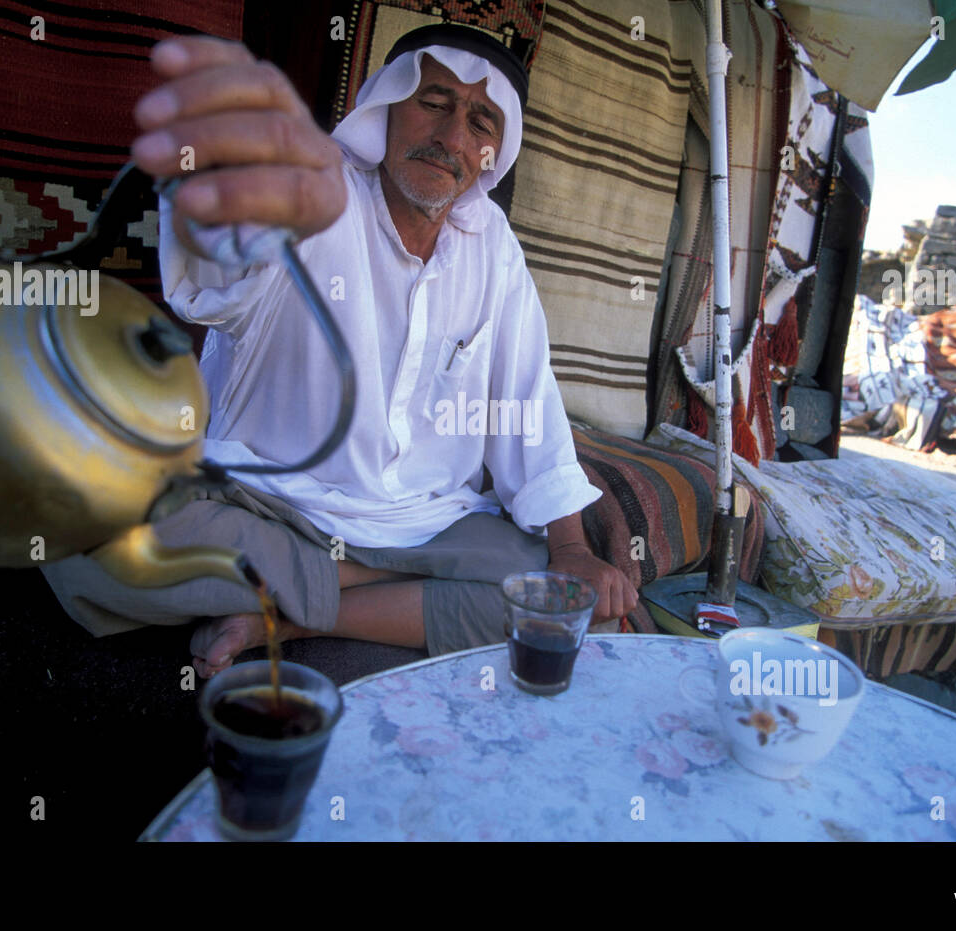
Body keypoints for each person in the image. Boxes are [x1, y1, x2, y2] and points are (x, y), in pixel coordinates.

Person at [39, 25, 639, 677]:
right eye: (433, 102)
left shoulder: (493, 248)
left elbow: (527, 401)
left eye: (480, 119)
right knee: (95, 538)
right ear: (386, 109)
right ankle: (348, 579)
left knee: (561, 597)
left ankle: (293, 614)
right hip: (269, 504)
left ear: (495, 148)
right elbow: (222, 259)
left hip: (424, 525)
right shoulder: (315, 195)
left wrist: (573, 547)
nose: (452, 135)